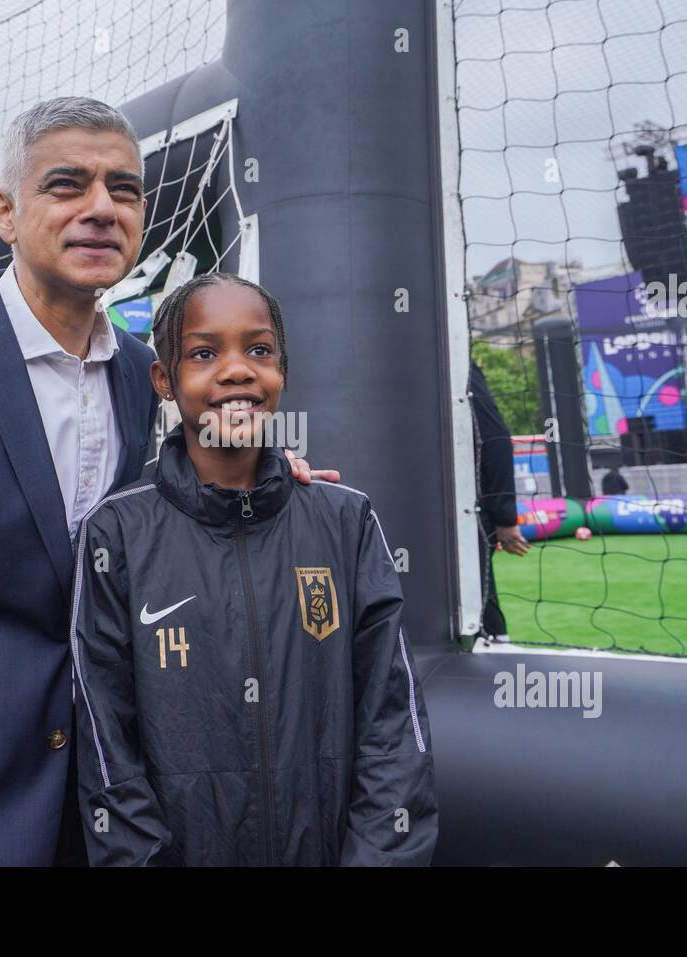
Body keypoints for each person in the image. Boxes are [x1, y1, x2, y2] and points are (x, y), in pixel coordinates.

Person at [0, 97, 332, 867]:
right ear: (5, 214)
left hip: (111, 805)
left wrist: (275, 482)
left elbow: (193, 486)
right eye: (67, 185)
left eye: (123, 189)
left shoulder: (146, 373)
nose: (101, 209)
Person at [71, 273, 437, 865]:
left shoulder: (345, 521)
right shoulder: (116, 534)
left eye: (259, 350)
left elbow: (392, 723)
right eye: (204, 353)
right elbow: (105, 741)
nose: (237, 370)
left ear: (282, 371)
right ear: (165, 379)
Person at [469, 360, 528, 644]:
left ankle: (496, 648)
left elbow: (496, 439)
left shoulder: (456, 367)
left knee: (475, 597)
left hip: (468, 515)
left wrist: (505, 517)